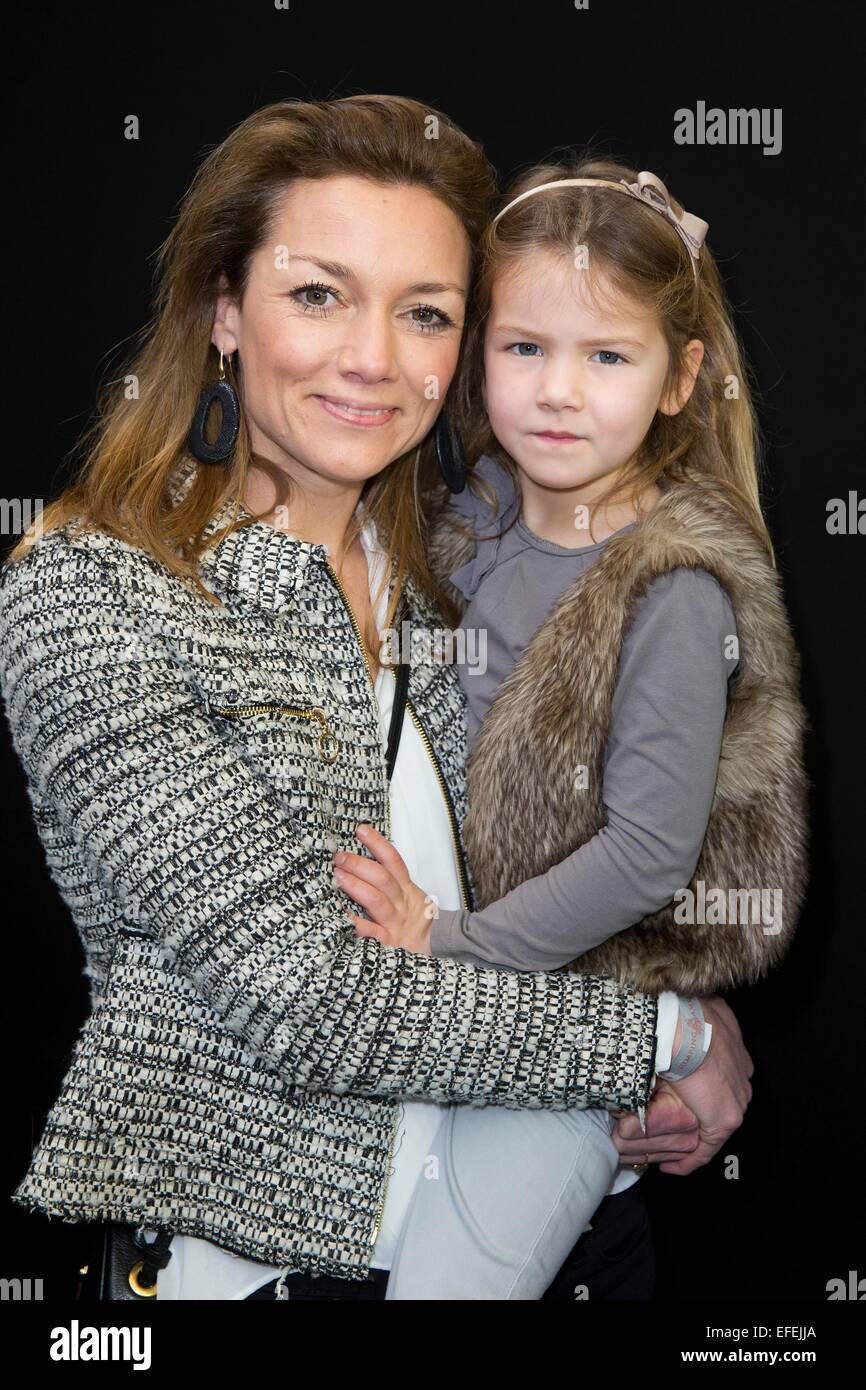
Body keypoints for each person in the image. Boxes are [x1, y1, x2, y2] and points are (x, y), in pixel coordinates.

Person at [0, 98, 752, 1302]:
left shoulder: (453, 577)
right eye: (317, 295)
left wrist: (683, 990)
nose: (373, 358)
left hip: (575, 1233)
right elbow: (309, 1008)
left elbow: (563, 857)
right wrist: (666, 1041)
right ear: (222, 310)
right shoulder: (100, 591)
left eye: (425, 315)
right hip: (278, 1262)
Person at [333, 157, 808, 1300]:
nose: (557, 392)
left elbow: (646, 854)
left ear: (678, 377)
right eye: (524, 349)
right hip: (449, 1032)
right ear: (478, 350)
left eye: (606, 357)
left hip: (577, 1018)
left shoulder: (671, 585)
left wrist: (445, 945)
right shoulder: (459, 524)